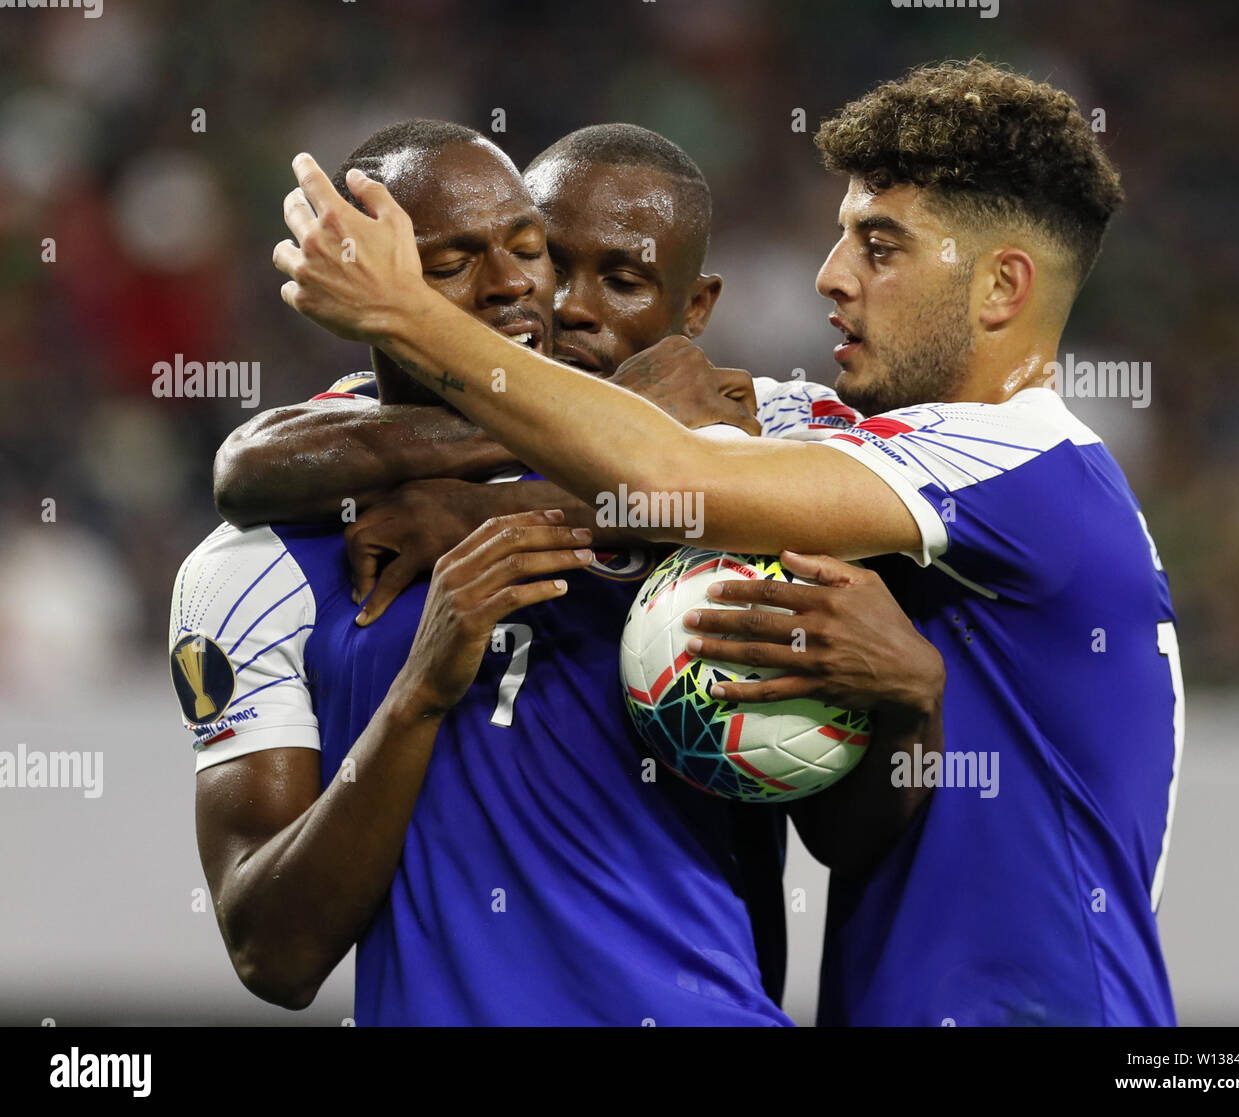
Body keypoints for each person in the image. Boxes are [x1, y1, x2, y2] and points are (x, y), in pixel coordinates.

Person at [273, 60, 1183, 1026]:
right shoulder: (857, 441)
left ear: (1002, 286)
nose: (831, 277)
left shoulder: (1029, 463)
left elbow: (672, 478)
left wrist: (406, 313)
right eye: (840, 238)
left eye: (880, 246)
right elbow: (643, 439)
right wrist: (496, 505)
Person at [177, 119, 944, 1024]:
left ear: (694, 308)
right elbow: (275, 953)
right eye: (453, 260)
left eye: (524, 251)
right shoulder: (271, 550)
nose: (539, 295)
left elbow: (849, 836)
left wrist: (912, 701)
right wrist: (419, 692)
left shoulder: (750, 462)